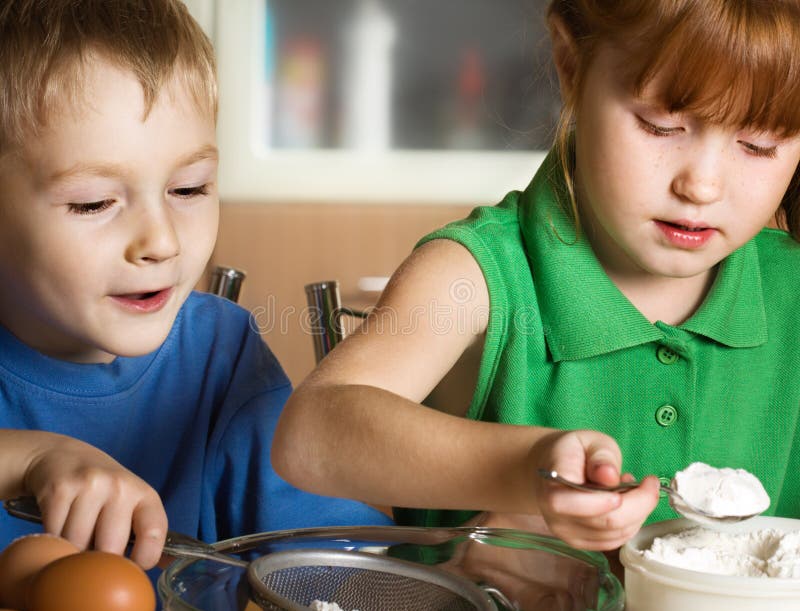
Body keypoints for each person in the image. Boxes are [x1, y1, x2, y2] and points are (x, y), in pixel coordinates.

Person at [273, 0, 800, 553]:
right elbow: (309, 435)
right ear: (571, 64)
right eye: (661, 125)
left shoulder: (788, 284)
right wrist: (528, 467)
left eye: (758, 144)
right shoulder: (481, 273)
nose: (703, 186)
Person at [0, 0, 391, 575]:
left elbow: (329, 559)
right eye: (94, 202)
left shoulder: (220, 351)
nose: (161, 241)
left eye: (188, 189)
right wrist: (35, 457)